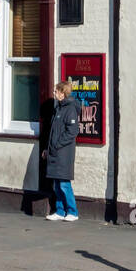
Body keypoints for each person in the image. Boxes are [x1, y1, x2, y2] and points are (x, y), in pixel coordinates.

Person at [43, 80, 81, 221]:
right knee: (57, 184)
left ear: (62, 93)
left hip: (63, 153)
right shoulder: (58, 108)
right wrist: (48, 149)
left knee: (64, 184)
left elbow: (72, 131)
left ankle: (73, 212)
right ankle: (60, 211)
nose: (54, 93)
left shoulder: (70, 109)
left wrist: (57, 145)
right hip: (54, 152)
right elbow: (53, 132)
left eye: (56, 91)